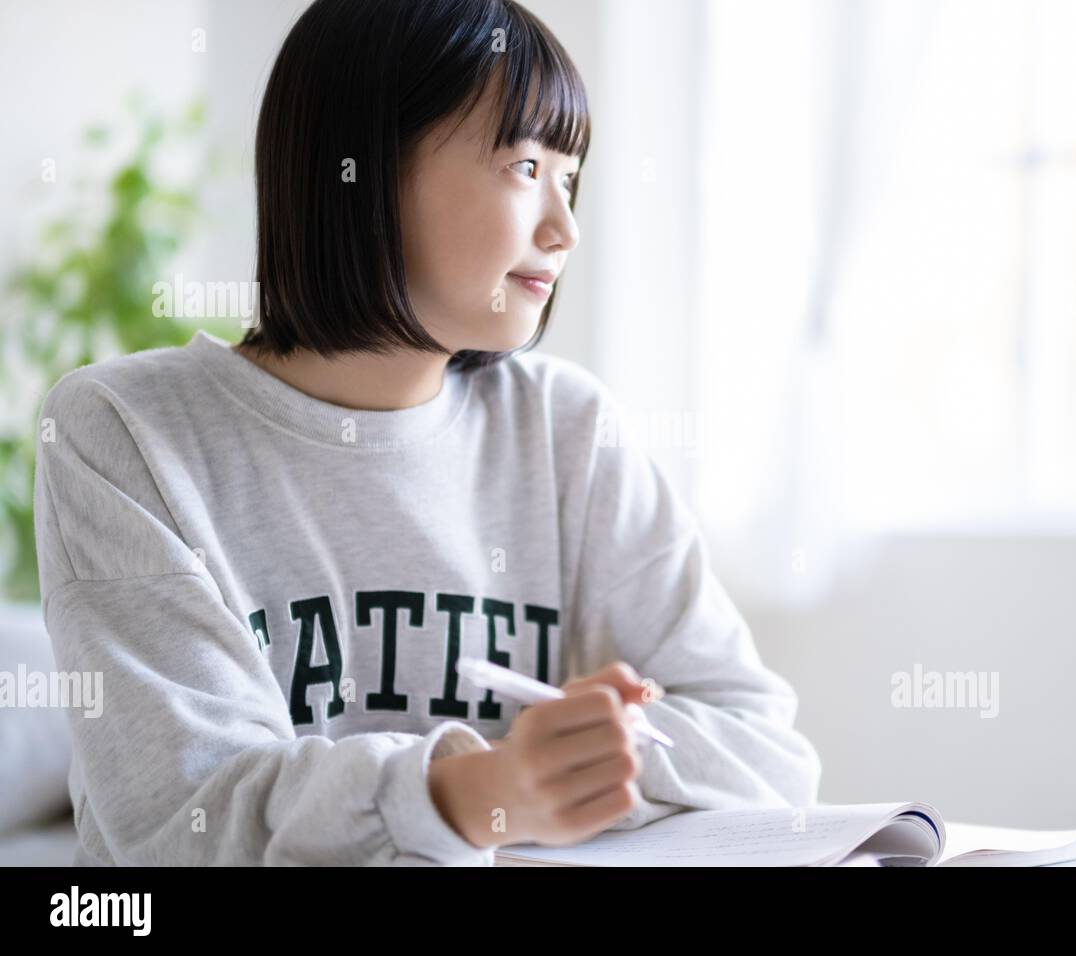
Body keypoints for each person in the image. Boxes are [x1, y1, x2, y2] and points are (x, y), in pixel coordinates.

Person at [33, 0, 821, 866]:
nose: (565, 230)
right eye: (525, 166)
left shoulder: (570, 431)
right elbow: (183, 817)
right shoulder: (123, 432)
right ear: (363, 169)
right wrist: (477, 793)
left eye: (571, 177)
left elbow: (765, 748)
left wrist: (582, 762)